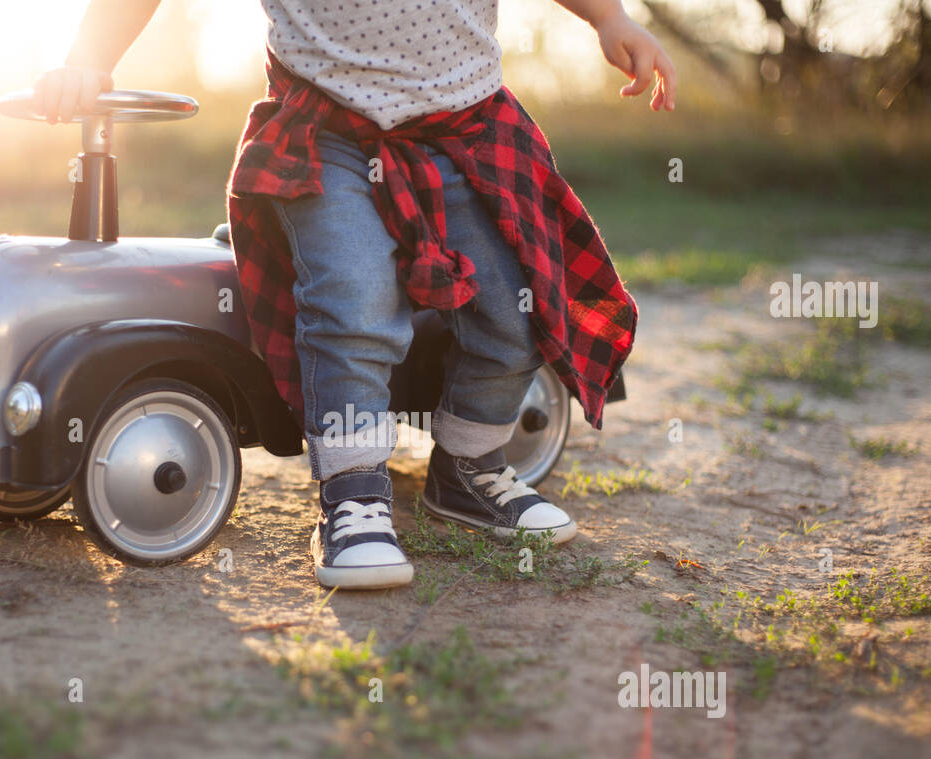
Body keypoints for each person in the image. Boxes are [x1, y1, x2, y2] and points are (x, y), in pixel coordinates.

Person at [34, 0, 676, 590]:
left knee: (518, 304)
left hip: (467, 127)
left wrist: (609, 19)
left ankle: (469, 470)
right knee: (356, 301)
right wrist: (89, 58)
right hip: (326, 131)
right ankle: (354, 493)